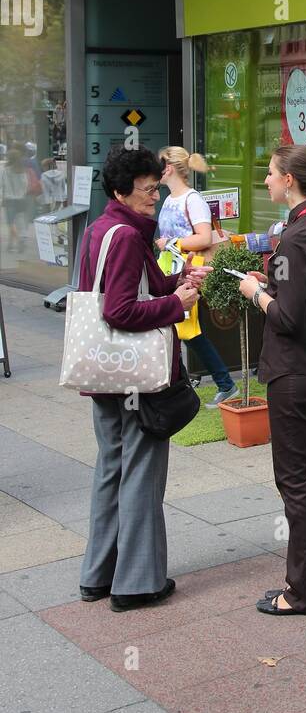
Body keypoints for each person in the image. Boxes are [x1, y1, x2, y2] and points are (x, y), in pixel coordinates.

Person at [77, 145, 207, 611]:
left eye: (157, 187)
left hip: (102, 371)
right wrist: (178, 305)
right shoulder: (129, 237)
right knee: (140, 475)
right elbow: (120, 309)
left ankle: (99, 575)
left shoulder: (100, 229)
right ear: (120, 191)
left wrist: (180, 279)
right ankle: (136, 584)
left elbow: (129, 288)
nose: (156, 196)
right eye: (148, 190)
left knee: (112, 469)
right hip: (134, 376)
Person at [238, 145, 306, 616]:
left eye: (270, 174)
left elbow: (288, 316)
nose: (265, 180)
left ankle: (302, 593)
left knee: (295, 482)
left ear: (288, 181)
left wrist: (255, 292)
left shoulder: (299, 235)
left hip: (294, 371)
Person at [156, 146, 237, 407]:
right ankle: (211, 383)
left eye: (160, 165)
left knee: (186, 329)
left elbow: (203, 237)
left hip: (187, 268)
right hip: (171, 267)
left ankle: (223, 383)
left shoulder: (192, 200)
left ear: (168, 168)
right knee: (181, 328)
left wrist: (171, 242)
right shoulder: (170, 199)